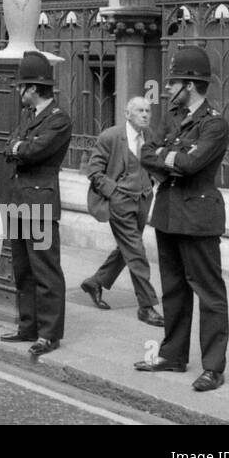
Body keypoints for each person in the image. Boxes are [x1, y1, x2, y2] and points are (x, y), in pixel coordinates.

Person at [134, 46, 229, 392]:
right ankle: (172, 355)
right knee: (173, 289)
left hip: (199, 216)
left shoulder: (215, 123)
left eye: (173, 82)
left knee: (208, 292)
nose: (167, 88)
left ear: (189, 84)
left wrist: (166, 155)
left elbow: (192, 165)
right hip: (169, 214)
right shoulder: (172, 115)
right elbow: (146, 153)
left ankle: (213, 367)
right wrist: (170, 155)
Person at [0, 50, 73, 357]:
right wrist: (20, 147)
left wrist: (20, 147)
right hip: (19, 200)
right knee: (23, 267)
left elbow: (34, 151)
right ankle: (28, 325)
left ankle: (49, 334)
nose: (18, 92)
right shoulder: (30, 117)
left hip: (40, 204)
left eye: (21, 88)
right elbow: (10, 147)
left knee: (45, 268)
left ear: (33, 88)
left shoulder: (58, 119)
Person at [80, 96, 163, 327]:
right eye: (140, 111)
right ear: (127, 114)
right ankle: (146, 306)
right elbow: (94, 171)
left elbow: (154, 164)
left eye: (148, 110)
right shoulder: (111, 136)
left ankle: (95, 282)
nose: (145, 115)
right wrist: (114, 193)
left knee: (127, 247)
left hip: (143, 200)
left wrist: (153, 183)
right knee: (136, 251)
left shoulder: (150, 136)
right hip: (120, 203)